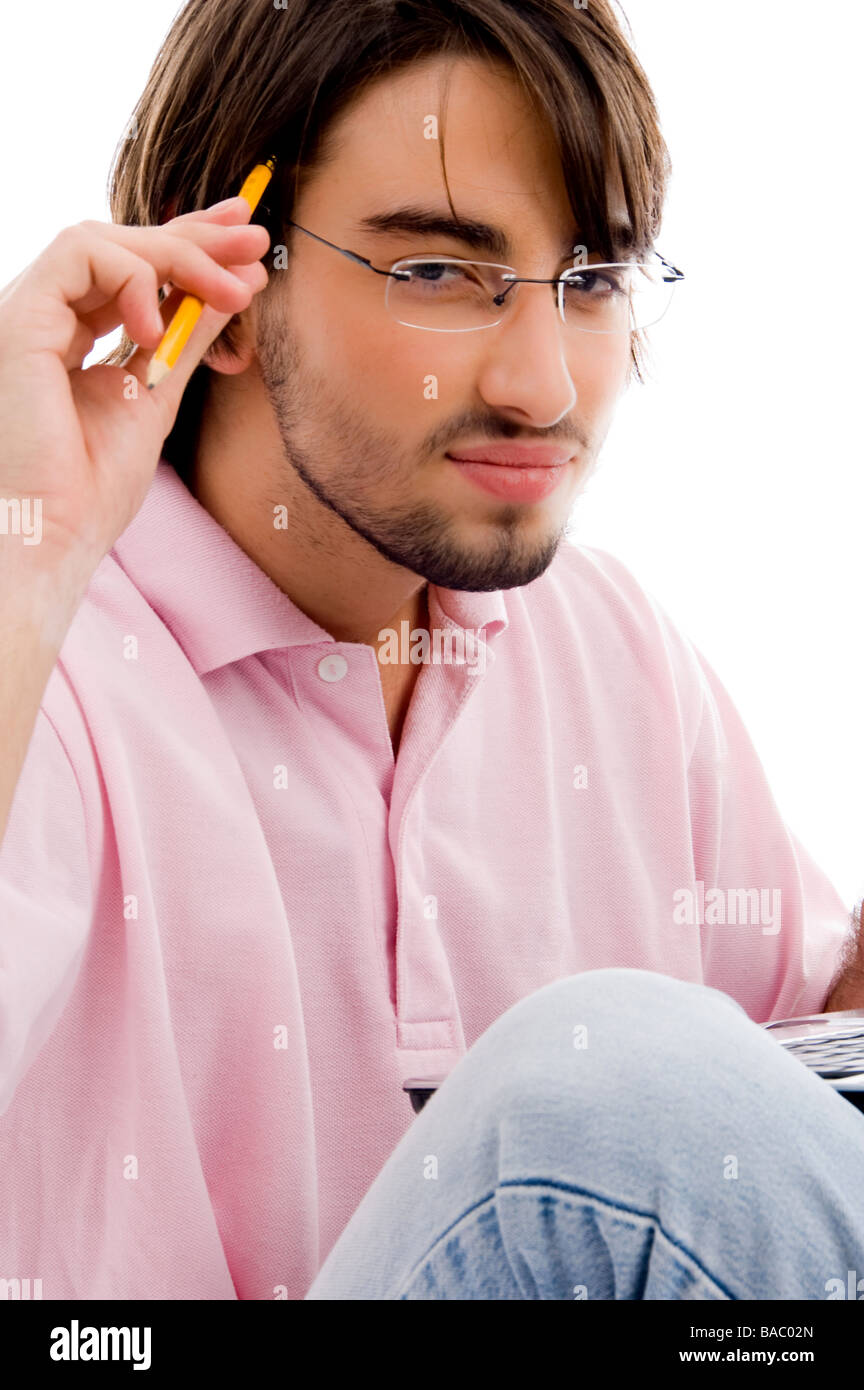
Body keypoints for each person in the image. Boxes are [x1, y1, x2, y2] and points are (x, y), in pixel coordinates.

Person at [1, 0, 862, 1302]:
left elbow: (804, 1060)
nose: (544, 386)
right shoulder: (50, 671)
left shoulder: (608, 641)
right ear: (216, 297)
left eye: (589, 282)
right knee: (589, 1102)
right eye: (438, 272)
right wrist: (29, 556)